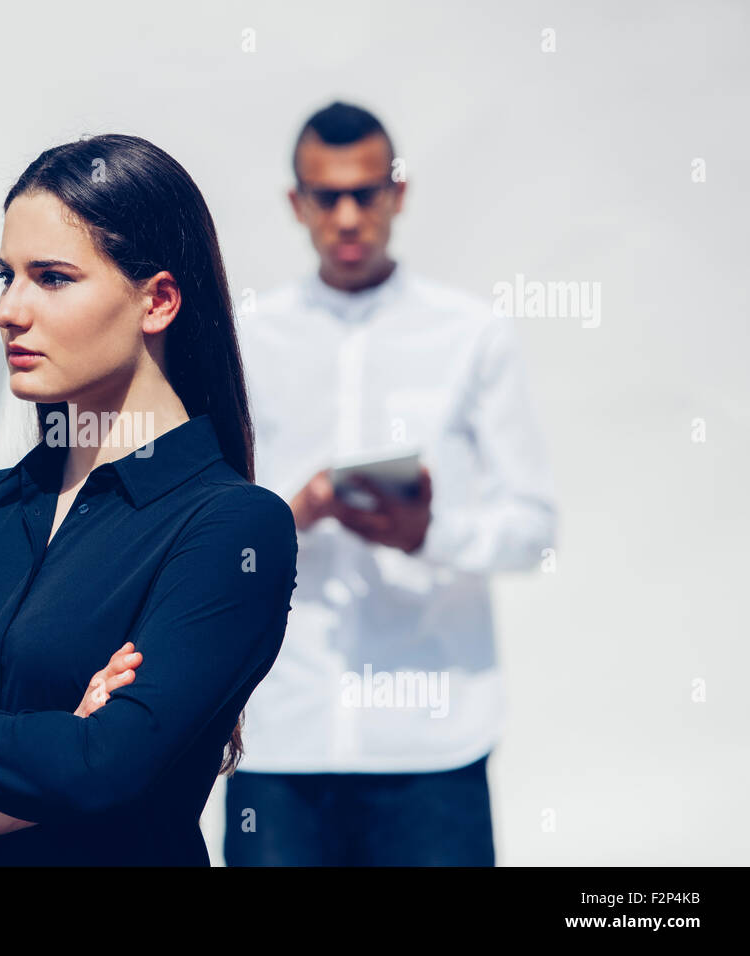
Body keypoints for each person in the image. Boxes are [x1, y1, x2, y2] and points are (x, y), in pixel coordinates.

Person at [0, 133, 299, 866]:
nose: (8, 309)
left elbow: (106, 770)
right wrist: (19, 796)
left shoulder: (233, 527)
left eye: (52, 278)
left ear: (156, 301)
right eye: (6, 275)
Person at [226, 102, 557, 866]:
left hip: (433, 740)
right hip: (282, 737)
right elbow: (201, 526)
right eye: (325, 195)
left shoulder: (472, 333)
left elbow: (535, 526)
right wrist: (292, 514)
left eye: (366, 193)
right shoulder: (247, 339)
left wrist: (430, 535)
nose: (347, 216)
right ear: (295, 203)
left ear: (397, 194)